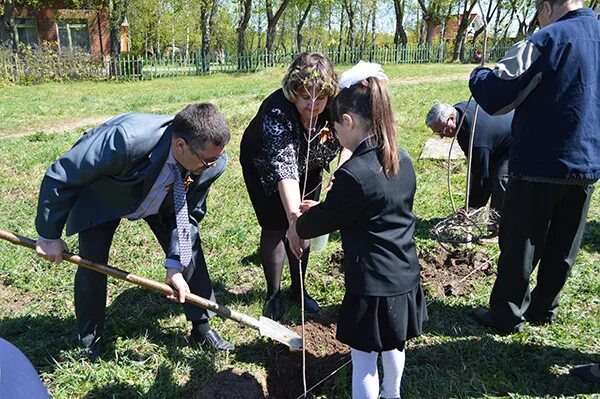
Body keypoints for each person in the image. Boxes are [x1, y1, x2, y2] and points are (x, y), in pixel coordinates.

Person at [34, 103, 236, 358]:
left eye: (216, 158)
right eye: (207, 160)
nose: (213, 165)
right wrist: (49, 235)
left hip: (164, 200)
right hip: (106, 196)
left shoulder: (211, 162)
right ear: (181, 145)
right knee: (91, 264)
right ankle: (89, 341)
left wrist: (175, 265)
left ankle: (201, 327)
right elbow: (62, 174)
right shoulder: (126, 140)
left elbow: (189, 216)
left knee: (190, 253)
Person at [296, 61, 428, 399]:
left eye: (336, 128)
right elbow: (375, 209)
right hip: (405, 276)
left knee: (364, 358)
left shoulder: (354, 174)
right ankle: (392, 394)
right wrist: (331, 208)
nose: (337, 136)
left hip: (371, 287)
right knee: (394, 345)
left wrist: (304, 219)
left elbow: (322, 222)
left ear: (348, 121)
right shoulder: (403, 158)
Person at [468, 0, 600, 333]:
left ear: (546, 7)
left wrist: (479, 74)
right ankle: (544, 308)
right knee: (564, 243)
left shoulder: (545, 40)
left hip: (540, 161)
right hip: (587, 162)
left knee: (520, 243)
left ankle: (508, 314)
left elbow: (497, 94)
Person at [240, 52, 351, 320]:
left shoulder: (338, 105)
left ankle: (299, 289)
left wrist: (341, 171)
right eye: (305, 97)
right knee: (276, 226)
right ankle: (273, 293)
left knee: (308, 222)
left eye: (320, 98)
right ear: (293, 92)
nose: (313, 105)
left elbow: (349, 140)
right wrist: (292, 219)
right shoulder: (277, 111)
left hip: (312, 163)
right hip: (266, 167)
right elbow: (285, 168)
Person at [425, 101, 513, 217]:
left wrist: (472, 207)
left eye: (442, 131)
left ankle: (499, 226)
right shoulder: (459, 110)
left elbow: (481, 178)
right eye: (437, 133)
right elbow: (475, 166)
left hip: (516, 138)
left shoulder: (476, 139)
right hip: (495, 138)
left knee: (499, 179)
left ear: (451, 118)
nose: (441, 136)